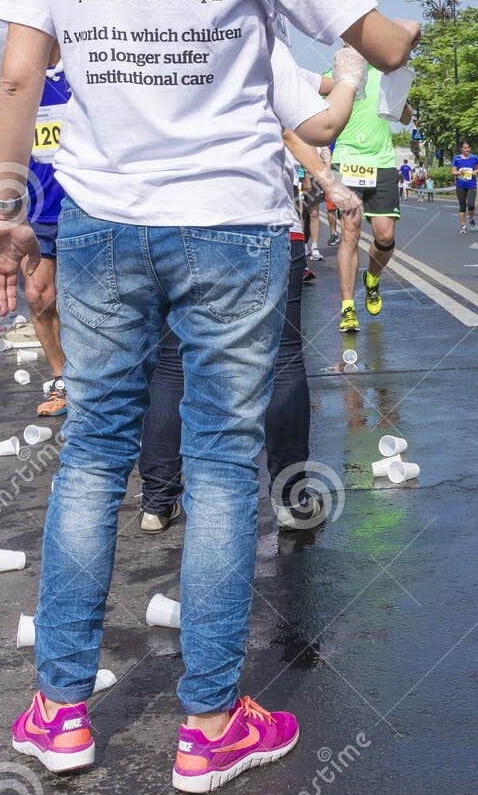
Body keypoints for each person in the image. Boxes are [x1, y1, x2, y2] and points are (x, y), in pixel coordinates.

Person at [0, 0, 418, 795]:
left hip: (104, 226)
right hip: (229, 223)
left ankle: (61, 709)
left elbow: (21, 76)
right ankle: (209, 721)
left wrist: (3, 203)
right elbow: (383, 43)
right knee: (224, 469)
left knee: (92, 456)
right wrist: (395, 23)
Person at [139, 48, 363, 534]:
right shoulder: (258, 41)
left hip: (171, 223)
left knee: (175, 362)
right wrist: (349, 77)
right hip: (262, 222)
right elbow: (308, 127)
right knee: (282, 360)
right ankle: (290, 497)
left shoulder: (150, 42)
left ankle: (157, 501)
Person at [329, 65, 411, 333]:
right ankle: (348, 308)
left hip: (383, 163)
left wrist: (402, 99)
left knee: (385, 236)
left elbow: (407, 117)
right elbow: (318, 118)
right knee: (349, 234)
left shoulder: (385, 75)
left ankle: (372, 278)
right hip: (348, 161)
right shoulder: (332, 75)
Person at [22, 47, 70, 416]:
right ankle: (62, 381)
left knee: (94, 304)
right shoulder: (23, 83)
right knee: (38, 295)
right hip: (40, 213)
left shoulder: (82, 71)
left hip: (86, 207)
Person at [452, 139, 478, 233]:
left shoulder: (474, 157)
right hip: (460, 185)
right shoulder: (457, 159)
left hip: (471, 185)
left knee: (471, 205)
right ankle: (463, 227)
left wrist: (475, 172)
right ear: (461, 149)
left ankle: (471, 219)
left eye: (468, 148)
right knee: (462, 206)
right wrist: (459, 172)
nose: (467, 150)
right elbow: (453, 172)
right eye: (465, 148)